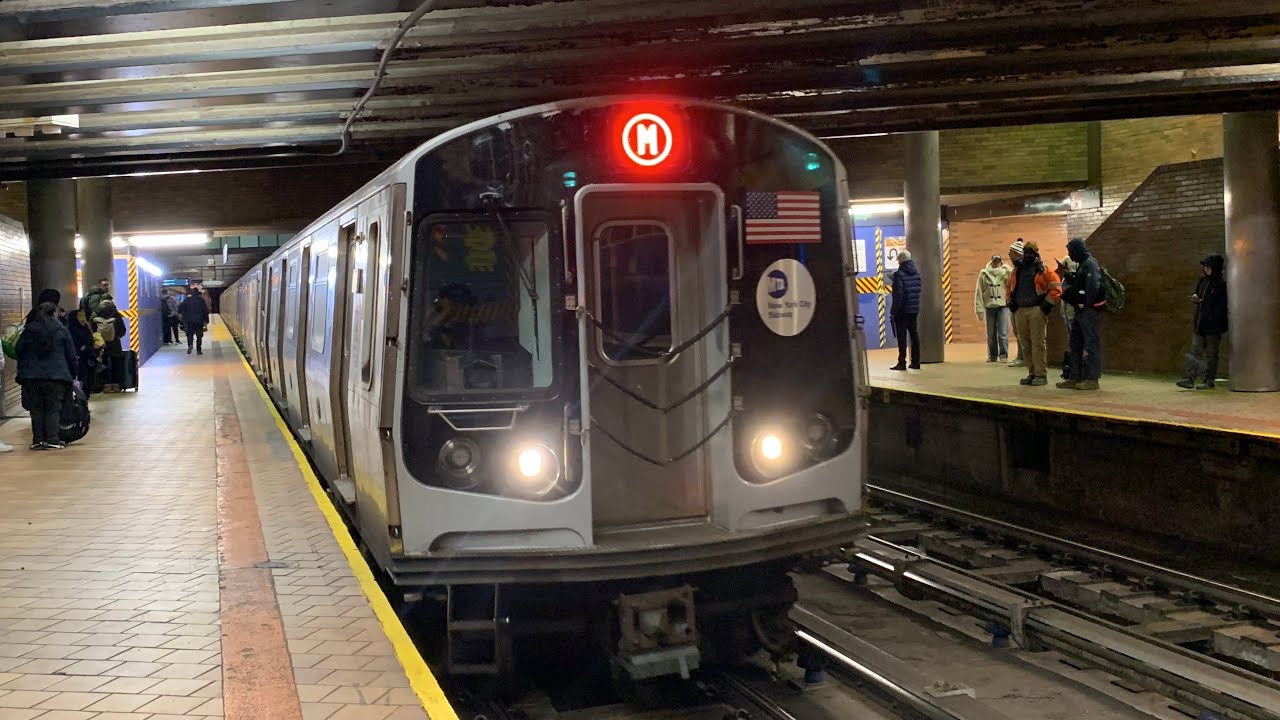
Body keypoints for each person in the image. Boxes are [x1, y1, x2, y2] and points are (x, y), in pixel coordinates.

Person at [15, 302, 77, 450]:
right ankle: (53, 439)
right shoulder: (61, 330)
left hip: (32, 376)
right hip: (56, 376)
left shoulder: (29, 330)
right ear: (54, 313)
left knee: (35, 409)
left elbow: (19, 349)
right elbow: (71, 354)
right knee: (53, 408)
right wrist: (72, 373)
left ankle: (37, 440)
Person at [1005, 240, 1061, 386]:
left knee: (1038, 344)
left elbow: (1056, 287)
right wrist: (1010, 301)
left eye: (1032, 253)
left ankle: (1041, 374)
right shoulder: (1017, 270)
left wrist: (1046, 305)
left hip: (1037, 310)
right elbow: (1009, 287)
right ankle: (1031, 372)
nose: (1028, 255)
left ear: (1036, 254)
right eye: (1027, 252)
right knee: (1025, 344)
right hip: (1020, 310)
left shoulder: (1043, 270)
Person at [1058, 238, 1106, 391]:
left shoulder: (1090, 264)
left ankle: (1093, 379)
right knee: (1075, 344)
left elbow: (1091, 288)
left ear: (1078, 250)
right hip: (1080, 311)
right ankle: (1074, 376)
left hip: (1088, 311)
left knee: (1091, 345)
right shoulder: (1082, 265)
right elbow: (1080, 283)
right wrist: (1070, 276)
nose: (1070, 256)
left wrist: (1082, 303)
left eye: (1071, 252)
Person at [1177, 255, 1228, 390]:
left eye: (1208, 266)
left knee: (1211, 353)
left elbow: (1222, 306)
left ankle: (1208, 379)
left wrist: (1213, 316)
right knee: (1195, 351)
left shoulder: (1221, 285)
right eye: (1205, 267)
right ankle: (1189, 378)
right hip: (1199, 323)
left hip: (1213, 326)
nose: (1205, 269)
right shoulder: (1202, 281)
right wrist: (1196, 298)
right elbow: (1197, 294)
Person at [974, 254, 1011, 363]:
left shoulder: (1006, 273)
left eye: (998, 261)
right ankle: (992, 355)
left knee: (1003, 332)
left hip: (1003, 306)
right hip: (989, 306)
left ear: (1001, 262)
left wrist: (1008, 270)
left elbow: (1011, 284)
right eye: (995, 261)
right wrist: (979, 309)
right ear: (991, 261)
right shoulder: (984, 274)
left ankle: (1004, 355)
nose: (996, 263)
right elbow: (979, 292)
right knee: (991, 333)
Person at [889, 249, 922, 371]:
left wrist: (893, 311)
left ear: (900, 261)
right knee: (914, 335)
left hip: (902, 312)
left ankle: (901, 362)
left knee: (902, 337)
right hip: (913, 309)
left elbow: (899, 295)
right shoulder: (916, 273)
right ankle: (916, 361)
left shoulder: (898, 275)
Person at [93, 297, 128, 392]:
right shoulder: (116, 314)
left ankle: (105, 385)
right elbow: (122, 330)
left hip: (100, 344)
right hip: (115, 344)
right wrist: (116, 337)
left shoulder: (95, 313)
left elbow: (91, 329)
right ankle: (116, 385)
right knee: (117, 364)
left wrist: (97, 339)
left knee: (103, 364)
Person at [1055, 256, 1080, 379]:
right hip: (1066, 312)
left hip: (1073, 313)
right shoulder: (1065, 279)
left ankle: (1078, 371)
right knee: (1071, 341)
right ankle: (1073, 370)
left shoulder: (1075, 278)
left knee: (1076, 342)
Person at [1007, 240, 1026, 367]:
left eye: (1011, 252)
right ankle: (1022, 355)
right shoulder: (1015, 269)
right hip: (1015, 305)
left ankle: (1023, 357)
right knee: (1017, 331)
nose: (1008, 255)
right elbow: (1011, 286)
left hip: (1022, 306)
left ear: (1016, 253)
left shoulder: (1024, 268)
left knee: (1022, 333)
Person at [179, 288, 210, 355]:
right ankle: (199, 350)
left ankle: (190, 345)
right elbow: (205, 311)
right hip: (199, 321)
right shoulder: (201, 300)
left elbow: (179, 309)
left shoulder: (187, 300)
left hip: (188, 321)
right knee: (199, 335)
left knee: (189, 334)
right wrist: (206, 321)